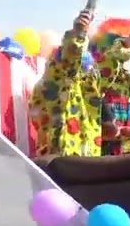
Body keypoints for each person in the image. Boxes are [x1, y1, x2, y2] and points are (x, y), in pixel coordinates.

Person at [29, 8, 103, 156]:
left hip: (87, 158)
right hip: (60, 158)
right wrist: (78, 33)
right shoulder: (55, 80)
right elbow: (69, 57)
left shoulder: (85, 86)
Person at [87, 18, 130, 155]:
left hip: (126, 146)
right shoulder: (98, 72)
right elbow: (111, 57)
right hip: (102, 145)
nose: (129, 50)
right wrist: (127, 40)